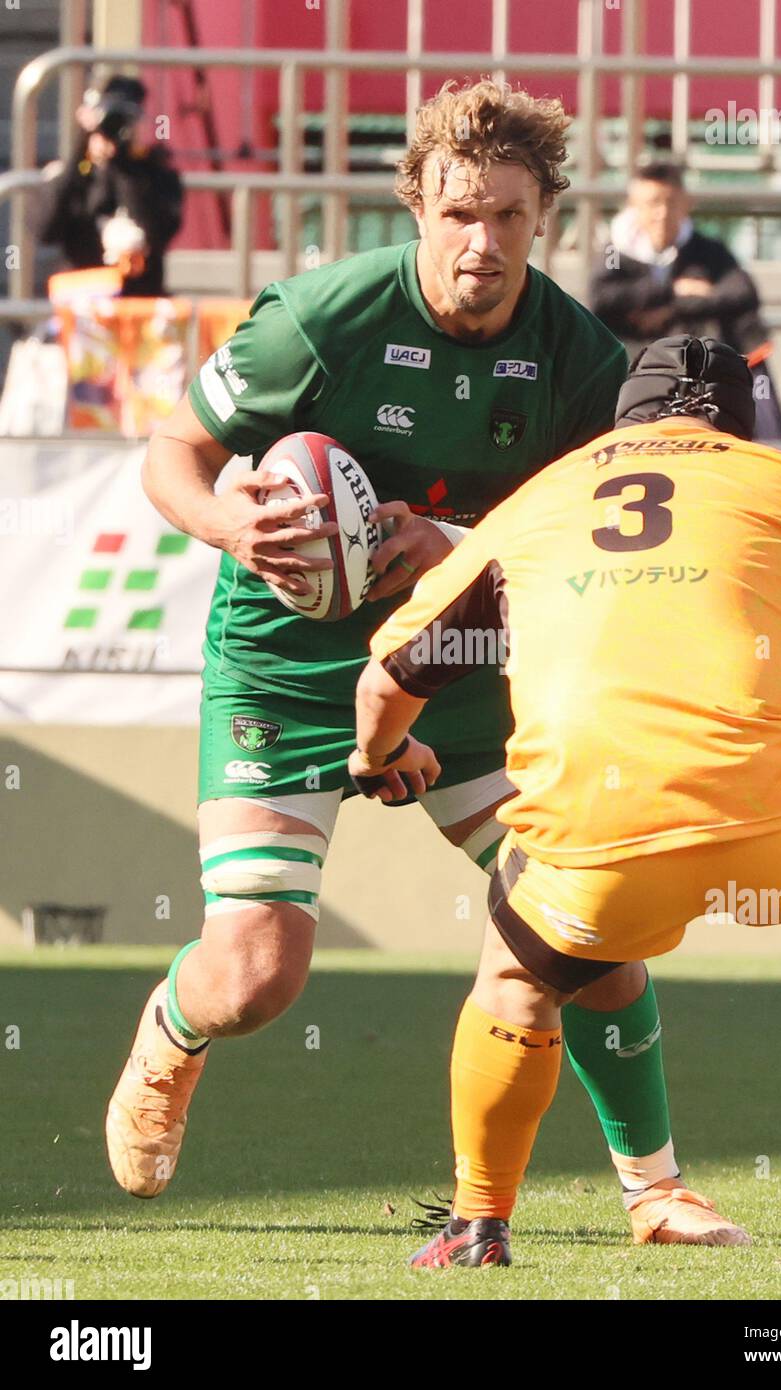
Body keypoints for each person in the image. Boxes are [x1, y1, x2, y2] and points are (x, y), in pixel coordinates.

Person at [105, 82, 745, 1248]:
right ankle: (172, 1035)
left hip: (456, 663)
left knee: (581, 924)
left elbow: (596, 541)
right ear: (416, 203)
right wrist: (230, 526)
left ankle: (655, 1188)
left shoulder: (577, 357)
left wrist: (451, 549)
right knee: (257, 976)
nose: (481, 241)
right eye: (458, 213)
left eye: (507, 215)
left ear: (544, 214)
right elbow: (170, 454)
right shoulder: (318, 321)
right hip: (289, 666)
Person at [349, 335, 781, 1268]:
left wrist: (380, 757)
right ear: (738, 422)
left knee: (516, 978)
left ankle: (477, 1226)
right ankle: (642, 1195)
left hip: (590, 855)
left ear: (625, 416)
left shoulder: (532, 502)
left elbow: (383, 688)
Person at [589, 160, 781, 439]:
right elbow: (601, 301)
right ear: (633, 206)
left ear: (686, 204)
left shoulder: (706, 250)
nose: (662, 213)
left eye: (670, 202)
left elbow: (742, 293)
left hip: (704, 371)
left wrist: (666, 308)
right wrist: (673, 291)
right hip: (638, 370)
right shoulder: (615, 253)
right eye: (652, 203)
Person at [33, 76, 183, 297]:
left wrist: (124, 165)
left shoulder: (158, 175)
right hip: (82, 302)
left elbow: (157, 233)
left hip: (138, 304)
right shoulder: (72, 174)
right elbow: (46, 231)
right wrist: (82, 148)